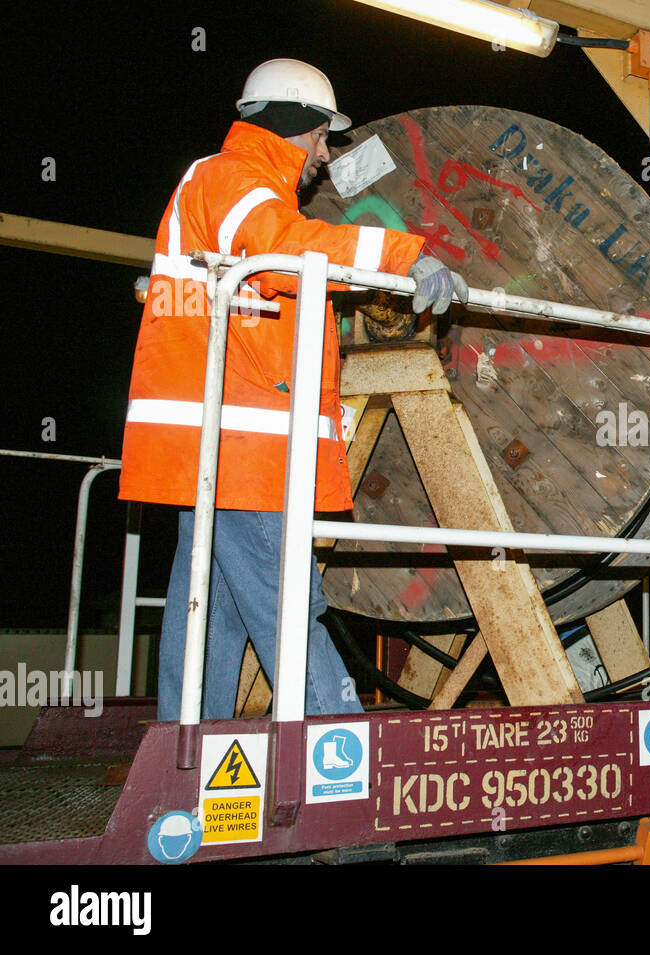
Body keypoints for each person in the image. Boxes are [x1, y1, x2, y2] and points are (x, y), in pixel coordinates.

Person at [121, 58, 467, 720]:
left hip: (228, 451)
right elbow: (282, 252)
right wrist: (401, 258)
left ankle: (180, 763)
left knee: (210, 616)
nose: (325, 155)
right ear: (299, 127)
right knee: (286, 606)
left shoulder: (237, 186)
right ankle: (346, 773)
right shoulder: (231, 180)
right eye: (322, 138)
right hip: (239, 452)